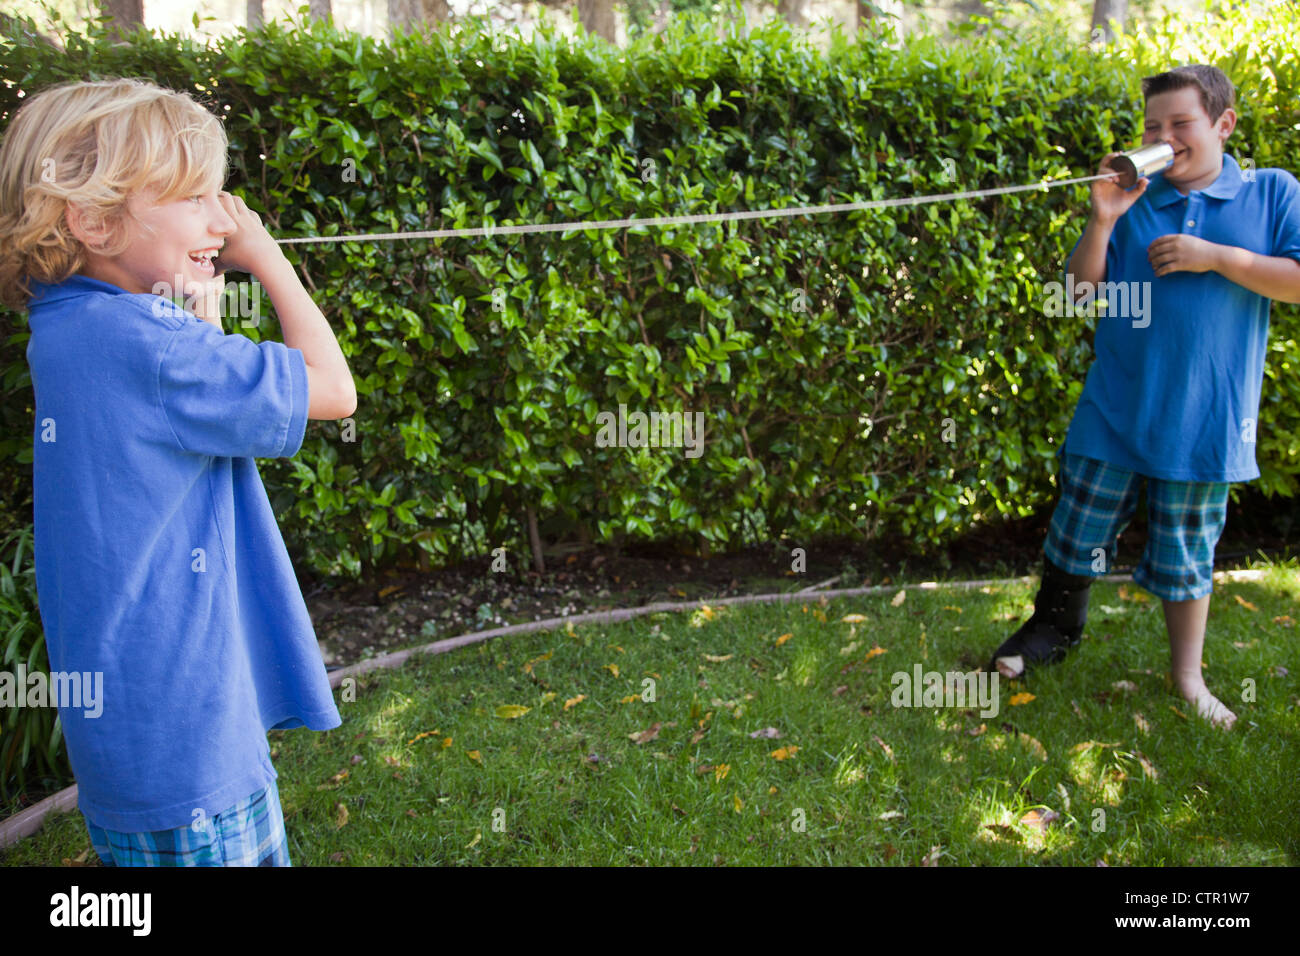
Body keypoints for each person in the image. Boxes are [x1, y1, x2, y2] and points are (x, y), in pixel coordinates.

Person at [0, 78, 356, 863]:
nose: (220, 219)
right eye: (196, 196)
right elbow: (334, 390)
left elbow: (176, 417)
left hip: (139, 728)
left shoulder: (69, 321)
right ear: (92, 219)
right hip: (189, 741)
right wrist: (265, 255)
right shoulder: (151, 348)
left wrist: (190, 302)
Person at [986, 64, 1300, 731]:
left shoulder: (1271, 192)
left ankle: (1187, 679)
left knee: (1188, 550)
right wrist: (1102, 220)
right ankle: (1053, 631)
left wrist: (1215, 257)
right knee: (1077, 531)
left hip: (1205, 418)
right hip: (1118, 407)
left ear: (1224, 124)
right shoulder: (1137, 199)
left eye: (1180, 123)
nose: (1164, 135)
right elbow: (1077, 294)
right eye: (1152, 125)